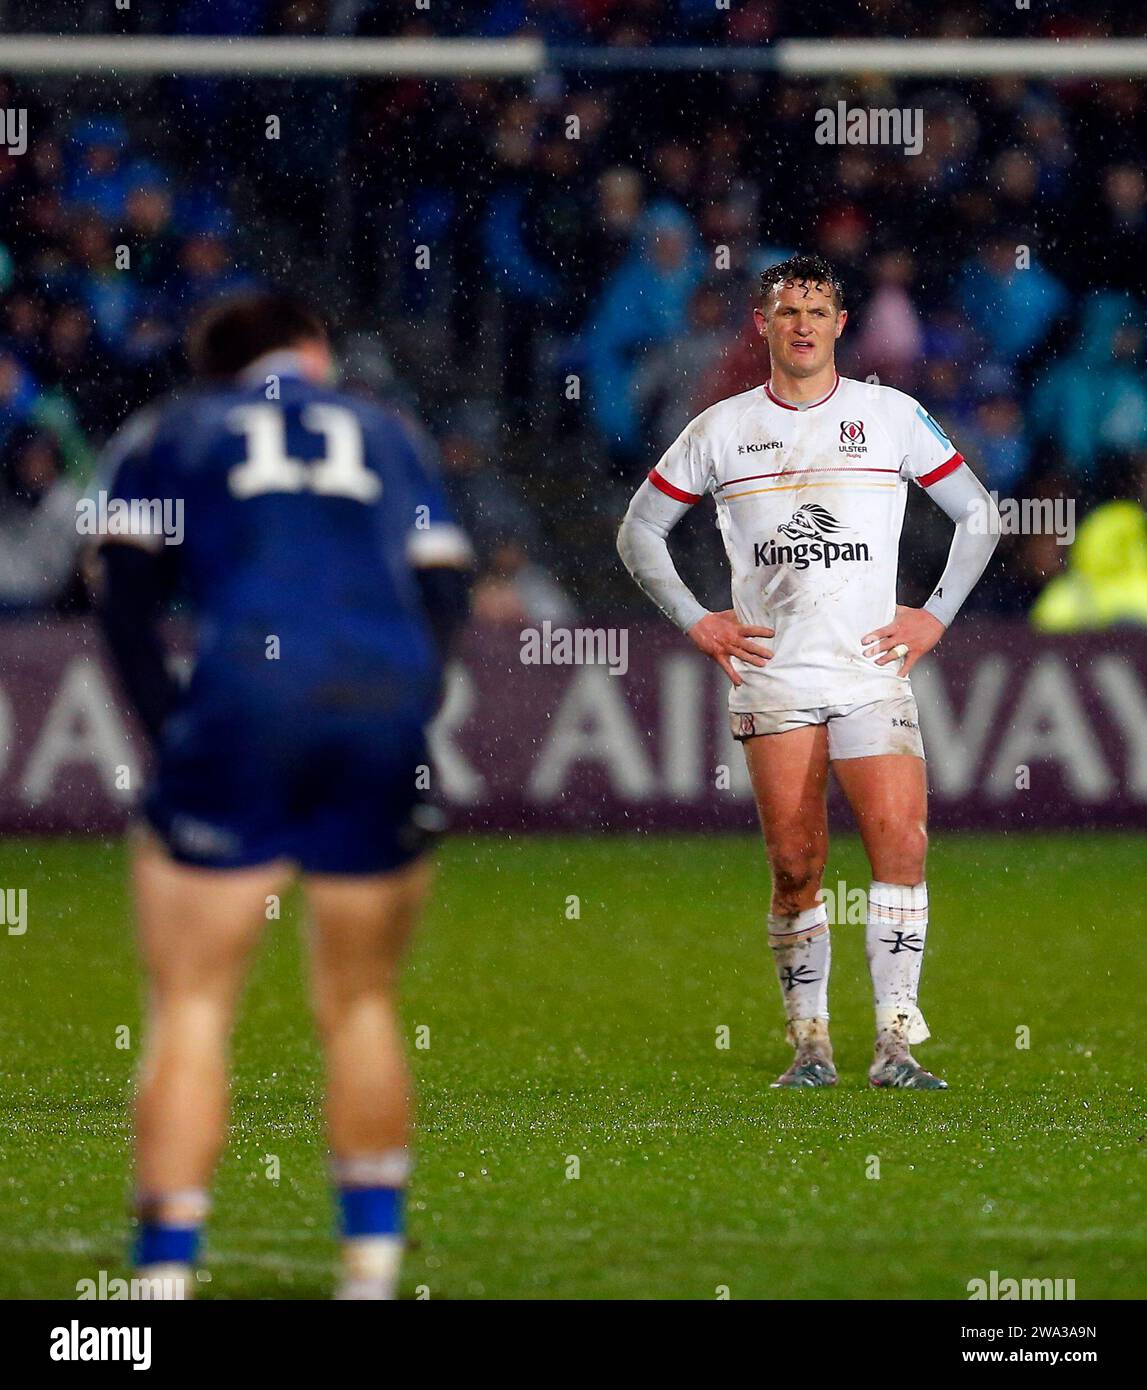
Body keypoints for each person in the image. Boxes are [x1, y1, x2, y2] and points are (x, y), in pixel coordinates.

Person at [93, 292, 472, 1297]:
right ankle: (371, 1269)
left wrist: (170, 723)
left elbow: (122, 593)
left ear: (219, 369)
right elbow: (444, 589)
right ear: (311, 350)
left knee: (192, 1004)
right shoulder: (388, 432)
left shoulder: (172, 431)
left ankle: (163, 1281)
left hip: (242, 703)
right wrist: (401, 701)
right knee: (358, 1003)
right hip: (377, 705)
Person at [617, 254, 1000, 1090]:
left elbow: (978, 513)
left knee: (900, 842)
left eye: (816, 311)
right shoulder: (720, 428)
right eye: (786, 311)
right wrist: (698, 619)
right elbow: (638, 531)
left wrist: (931, 613)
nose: (801, 325)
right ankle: (810, 1042)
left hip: (870, 671)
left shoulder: (889, 415)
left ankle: (895, 1041)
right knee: (796, 862)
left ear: (838, 323)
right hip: (776, 675)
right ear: (761, 325)